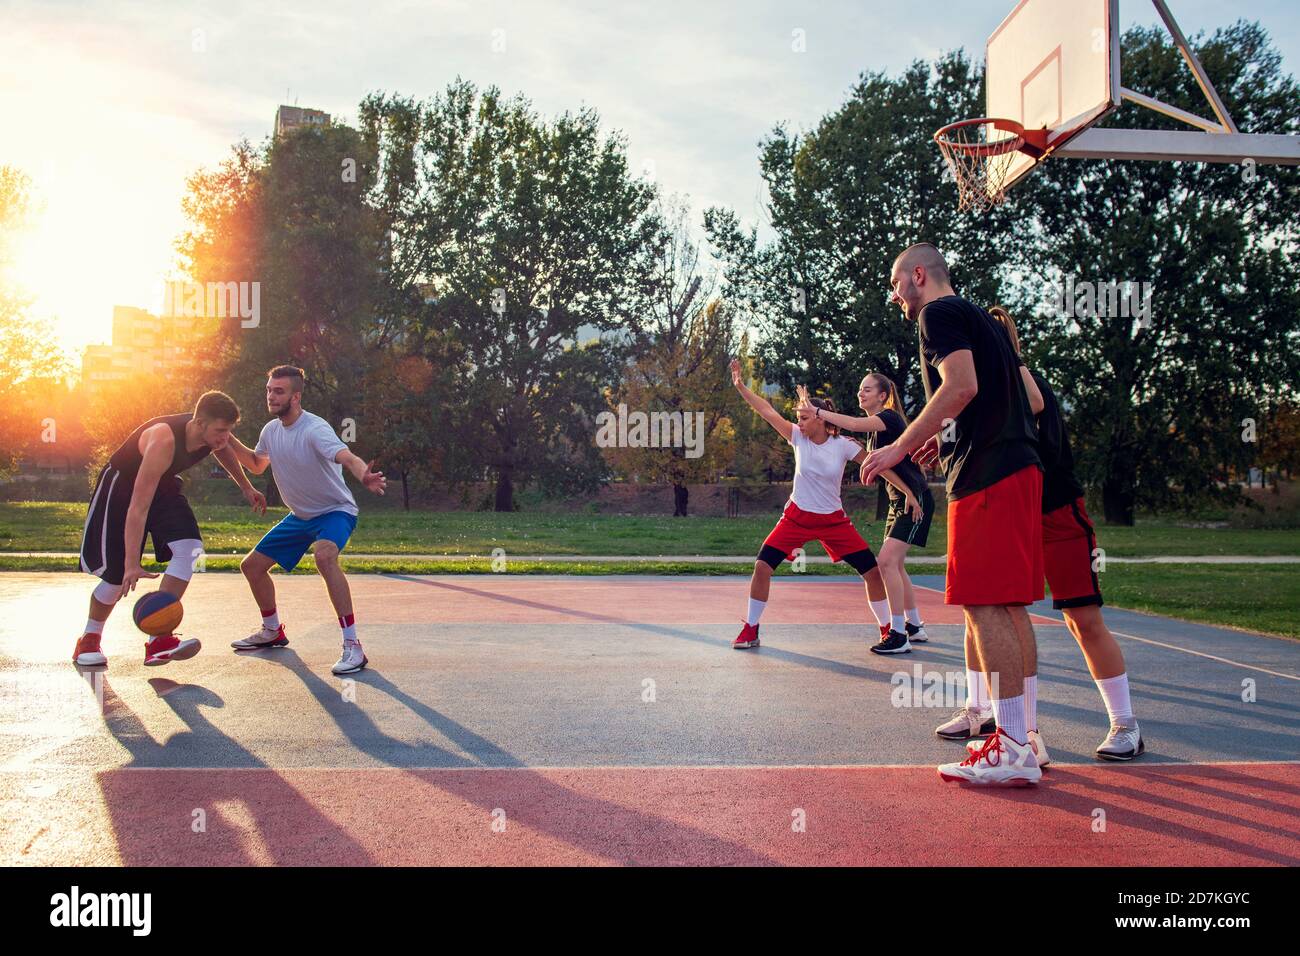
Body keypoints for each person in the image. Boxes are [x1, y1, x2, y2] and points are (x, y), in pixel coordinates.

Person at [864, 242, 1046, 785]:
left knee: (984, 605)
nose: (896, 297)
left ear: (918, 275)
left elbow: (961, 386)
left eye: (897, 284)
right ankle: (1027, 737)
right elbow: (1002, 400)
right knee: (1010, 608)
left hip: (989, 475)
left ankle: (1010, 746)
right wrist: (944, 441)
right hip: (1017, 465)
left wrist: (899, 445)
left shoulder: (939, 313)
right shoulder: (982, 320)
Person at [963, 306, 1143, 761]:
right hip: (1013, 512)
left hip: (1057, 513)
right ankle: (1022, 732)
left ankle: (1126, 725)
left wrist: (1007, 353)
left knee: (1082, 621)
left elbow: (1036, 406)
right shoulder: (988, 392)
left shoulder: (1026, 381)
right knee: (998, 614)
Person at [73, 391, 261, 667]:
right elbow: (138, 506)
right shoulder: (163, 440)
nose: (226, 437)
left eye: (229, 431)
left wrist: (246, 487)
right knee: (116, 579)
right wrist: (131, 563)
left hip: (162, 484)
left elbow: (223, 449)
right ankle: (89, 639)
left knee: (190, 550)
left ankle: (159, 639)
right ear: (199, 423)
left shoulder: (212, 432)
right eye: (221, 431)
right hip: (122, 488)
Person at [224, 366, 387, 675]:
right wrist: (226, 436)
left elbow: (347, 456)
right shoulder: (271, 431)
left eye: (279, 391)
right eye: (269, 390)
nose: (271, 396)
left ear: (295, 397)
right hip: (300, 516)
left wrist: (363, 474)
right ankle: (272, 630)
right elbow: (257, 464)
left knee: (324, 557)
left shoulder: (315, 429)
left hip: (334, 511)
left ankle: (353, 646)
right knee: (251, 567)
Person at [728, 360, 894, 652]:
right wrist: (741, 386)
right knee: (762, 566)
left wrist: (910, 491)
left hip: (833, 521)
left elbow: (880, 464)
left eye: (804, 418)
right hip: (796, 517)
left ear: (820, 418)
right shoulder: (797, 438)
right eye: (798, 419)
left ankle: (887, 630)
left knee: (872, 571)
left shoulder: (843, 444)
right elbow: (766, 411)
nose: (799, 423)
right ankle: (751, 628)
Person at [801, 373, 935, 653]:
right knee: (895, 565)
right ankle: (914, 626)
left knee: (886, 562)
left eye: (867, 389)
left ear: (883, 396)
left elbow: (852, 423)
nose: (861, 394)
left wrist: (816, 411)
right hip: (899, 500)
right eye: (860, 389)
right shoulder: (878, 429)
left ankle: (898, 634)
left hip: (914, 499)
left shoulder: (889, 418)